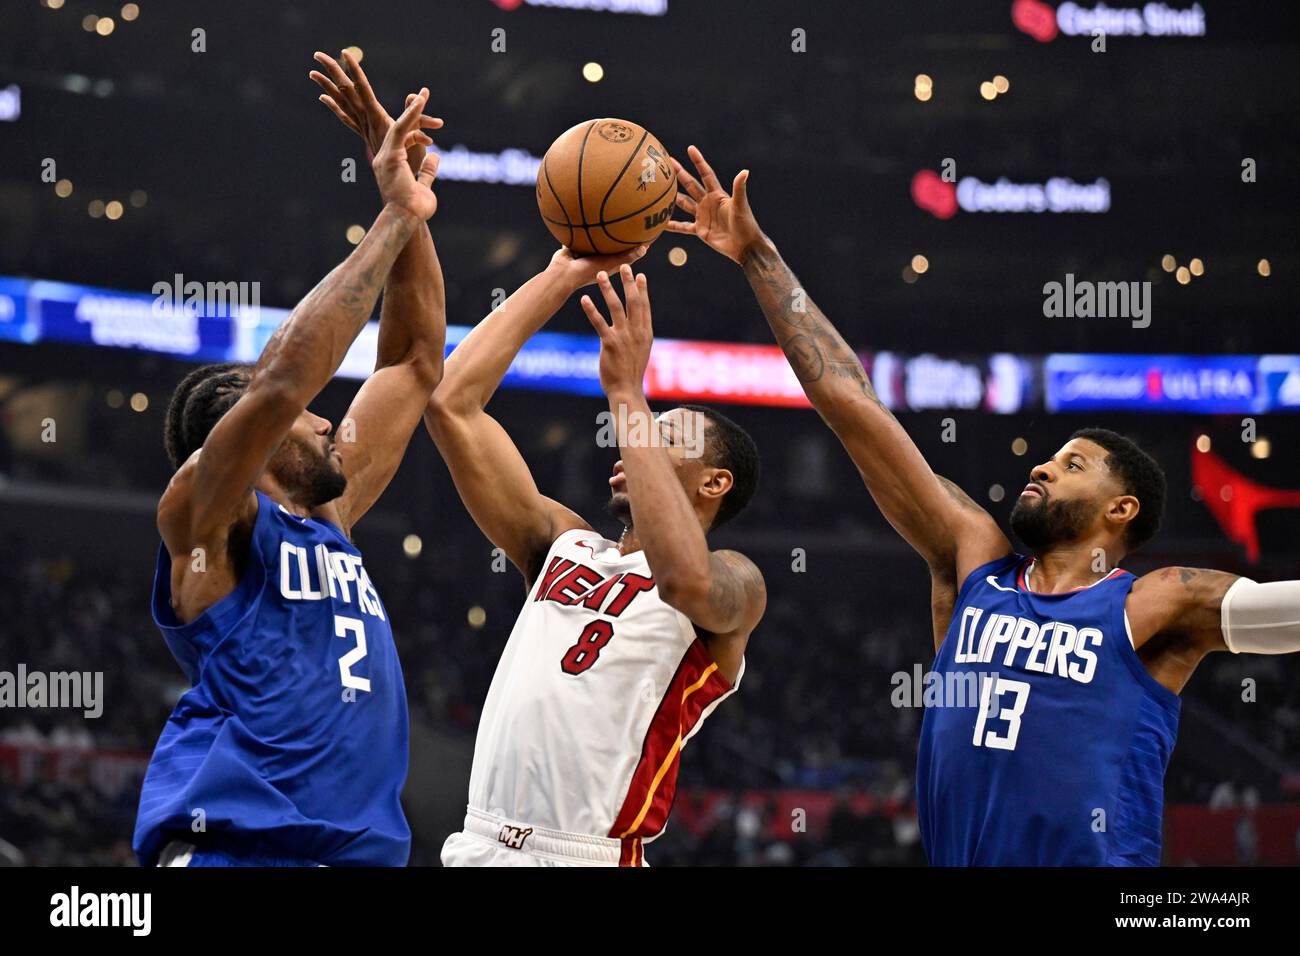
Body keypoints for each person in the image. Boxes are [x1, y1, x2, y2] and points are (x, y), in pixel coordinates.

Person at [669, 144, 1300, 866]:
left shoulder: (1158, 603)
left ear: (1120, 509)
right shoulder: (974, 559)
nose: (1040, 463)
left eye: (1073, 465)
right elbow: (851, 403)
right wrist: (758, 257)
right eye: (1051, 456)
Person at [135, 54, 444, 867]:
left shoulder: (330, 514)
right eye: (311, 414)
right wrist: (389, 218)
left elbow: (413, 363)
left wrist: (411, 207)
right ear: (247, 434)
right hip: (238, 849)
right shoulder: (204, 517)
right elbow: (279, 386)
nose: (325, 418)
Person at [428, 254, 766, 867]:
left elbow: (683, 578)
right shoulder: (565, 542)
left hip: (585, 854)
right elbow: (453, 403)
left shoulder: (737, 582)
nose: (628, 444)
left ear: (714, 483)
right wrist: (563, 272)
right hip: (476, 843)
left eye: (661, 437)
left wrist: (627, 393)